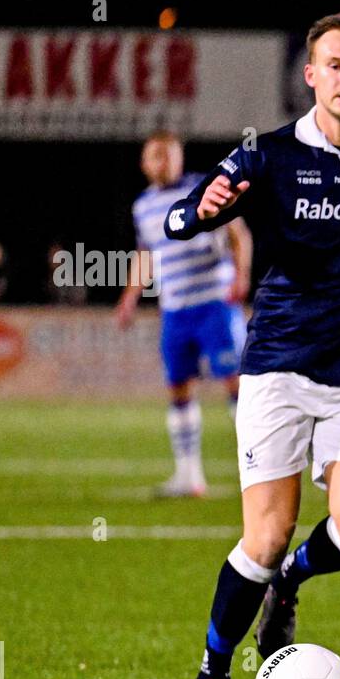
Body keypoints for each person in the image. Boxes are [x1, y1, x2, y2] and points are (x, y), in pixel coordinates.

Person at [164, 12, 340, 679]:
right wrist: (200, 210)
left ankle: (291, 584)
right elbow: (179, 222)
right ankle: (212, 678)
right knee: (267, 534)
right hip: (279, 365)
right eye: (333, 65)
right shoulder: (269, 155)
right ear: (310, 75)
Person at [116, 130, 253, 497]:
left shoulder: (202, 188)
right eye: (156, 156)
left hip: (215, 305)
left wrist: (241, 276)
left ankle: (260, 471)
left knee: (238, 385)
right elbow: (145, 256)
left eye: (170, 154)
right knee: (178, 387)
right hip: (175, 310)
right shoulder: (142, 206)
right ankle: (189, 476)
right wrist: (130, 298)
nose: (164, 162)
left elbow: (239, 234)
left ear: (180, 157)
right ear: (144, 164)